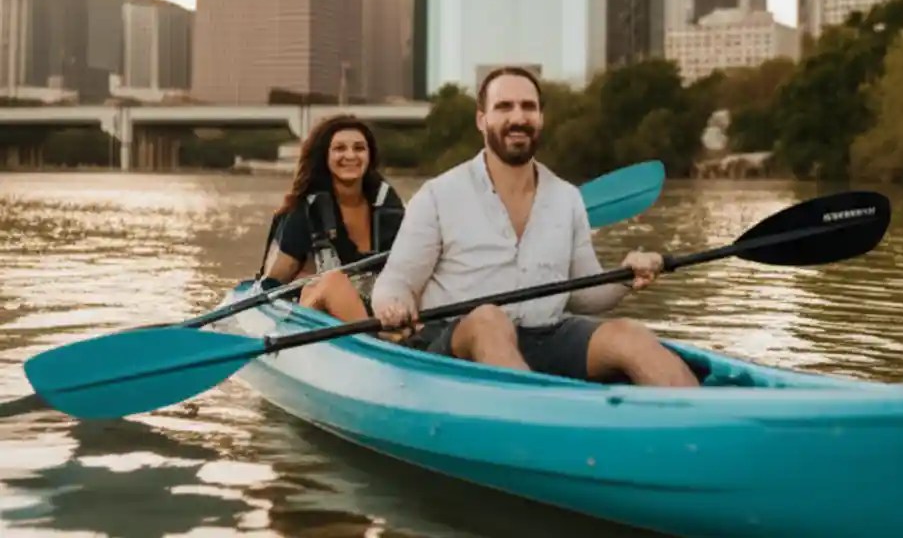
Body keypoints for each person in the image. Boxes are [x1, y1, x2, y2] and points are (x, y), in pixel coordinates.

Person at [370, 66, 700, 387]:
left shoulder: (566, 198)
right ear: (481, 120)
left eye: (528, 107)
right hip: (457, 342)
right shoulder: (438, 195)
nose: (518, 118)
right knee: (489, 319)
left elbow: (584, 297)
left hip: (546, 335)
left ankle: (703, 421)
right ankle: (542, 424)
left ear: (540, 118)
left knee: (630, 334)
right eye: (504, 107)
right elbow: (395, 282)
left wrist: (628, 275)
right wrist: (393, 306)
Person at [258, 114, 405, 322]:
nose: (350, 155)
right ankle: (377, 340)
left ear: (370, 156)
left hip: (377, 313)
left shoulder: (389, 205)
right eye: (339, 149)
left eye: (359, 148)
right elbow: (271, 286)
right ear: (324, 157)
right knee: (334, 282)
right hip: (312, 320)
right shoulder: (304, 212)